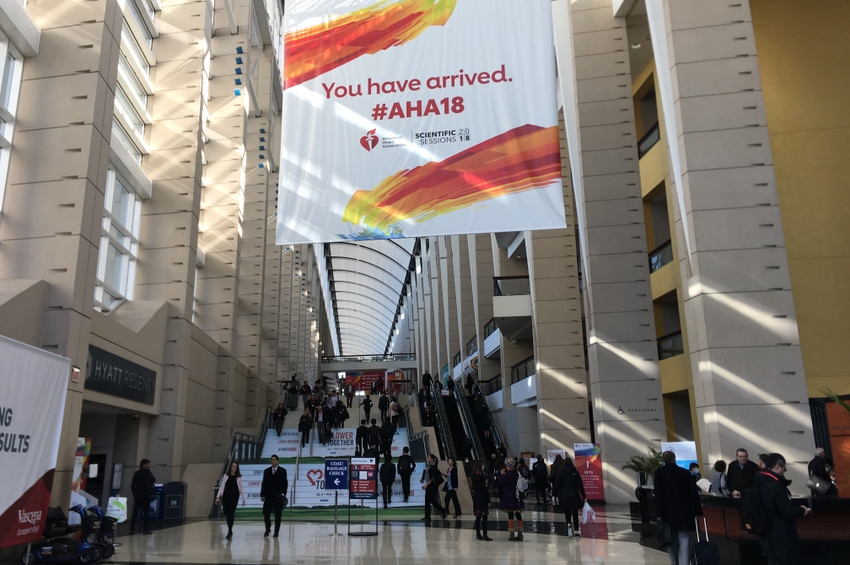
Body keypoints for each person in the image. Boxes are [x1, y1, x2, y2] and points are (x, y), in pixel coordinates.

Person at [754, 453, 811, 565]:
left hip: (766, 534)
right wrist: (801, 510)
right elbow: (787, 511)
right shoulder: (775, 485)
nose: (784, 472)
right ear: (777, 467)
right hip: (781, 536)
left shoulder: (759, 482)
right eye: (784, 469)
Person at [654, 451, 703, 565]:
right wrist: (697, 511)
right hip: (684, 512)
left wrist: (658, 513)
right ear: (674, 458)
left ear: (664, 460)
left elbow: (658, 495)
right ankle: (684, 563)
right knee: (684, 539)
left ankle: (674, 562)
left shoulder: (659, 474)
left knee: (670, 539)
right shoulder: (685, 473)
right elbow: (693, 494)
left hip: (667, 512)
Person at [554, 456, 586, 538]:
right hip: (574, 495)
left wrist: (559, 496)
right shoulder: (575, 471)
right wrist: (584, 496)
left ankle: (568, 526)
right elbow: (580, 485)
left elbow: (557, 485)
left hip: (565, 496)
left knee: (567, 513)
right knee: (575, 513)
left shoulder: (561, 472)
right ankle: (576, 531)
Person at [215, 461, 246, 539]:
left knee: (231, 513)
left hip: (234, 497)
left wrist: (243, 498)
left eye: (235, 466)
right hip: (226, 496)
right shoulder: (226, 476)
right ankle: (230, 529)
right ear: (230, 467)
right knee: (227, 514)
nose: (234, 468)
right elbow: (222, 487)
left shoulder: (239, 477)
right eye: (233, 466)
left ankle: (230, 530)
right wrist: (218, 496)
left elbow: (241, 488)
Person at [260, 454, 288, 538]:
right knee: (266, 513)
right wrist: (262, 494)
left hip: (278, 496)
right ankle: (267, 528)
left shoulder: (283, 471)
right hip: (268, 496)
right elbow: (264, 483)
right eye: (272, 460)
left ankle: (276, 532)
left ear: (277, 461)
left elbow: (285, 483)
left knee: (278, 515)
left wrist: (283, 493)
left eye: (274, 460)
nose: (273, 461)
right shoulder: (267, 471)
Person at [497, 457, 525, 541]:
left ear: (507, 466)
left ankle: (511, 533)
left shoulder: (507, 475)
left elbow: (500, 484)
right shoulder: (517, 473)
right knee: (518, 515)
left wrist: (501, 475)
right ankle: (520, 533)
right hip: (517, 497)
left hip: (509, 497)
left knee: (510, 515)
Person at [129, 459, 156, 535]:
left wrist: (135, 494)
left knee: (135, 512)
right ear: (144, 465)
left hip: (138, 496)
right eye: (147, 464)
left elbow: (133, 484)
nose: (149, 466)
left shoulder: (136, 473)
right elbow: (153, 479)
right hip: (146, 495)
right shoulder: (147, 472)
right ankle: (145, 529)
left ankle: (132, 529)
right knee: (146, 512)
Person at [421, 454, 447, 521]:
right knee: (427, 500)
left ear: (432, 459)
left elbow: (433, 478)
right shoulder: (429, 466)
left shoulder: (434, 467)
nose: (428, 459)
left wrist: (427, 484)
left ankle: (443, 510)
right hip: (429, 484)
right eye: (428, 458)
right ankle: (427, 516)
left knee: (431, 500)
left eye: (429, 458)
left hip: (432, 485)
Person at [471, 461, 492, 541]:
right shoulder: (481, 476)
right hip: (482, 498)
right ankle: (485, 535)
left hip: (476, 498)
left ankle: (478, 534)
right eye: (483, 465)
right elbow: (484, 489)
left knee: (478, 517)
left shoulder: (474, 476)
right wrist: (488, 500)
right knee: (484, 517)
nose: (484, 466)